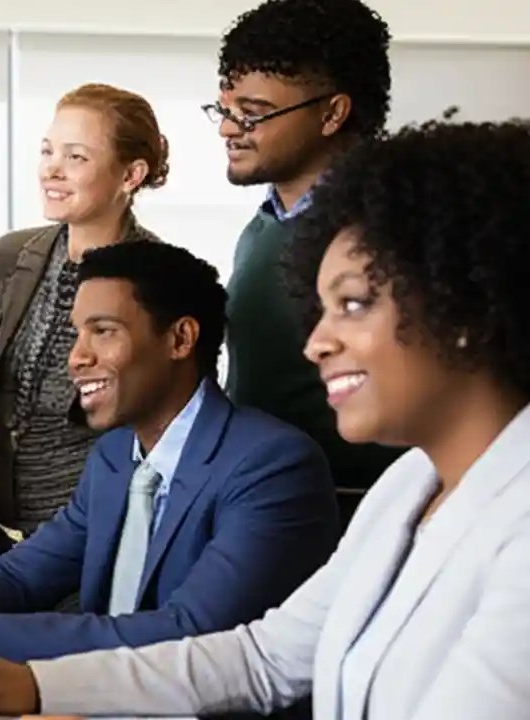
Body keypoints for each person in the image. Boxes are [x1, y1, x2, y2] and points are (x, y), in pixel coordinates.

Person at [0, 121, 530, 720]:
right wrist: (34, 685)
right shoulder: (408, 488)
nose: (316, 344)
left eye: (354, 305)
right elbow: (264, 656)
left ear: (468, 304)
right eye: (321, 309)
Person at [0, 241, 339, 671]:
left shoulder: (271, 466)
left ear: (180, 339)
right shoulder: (118, 454)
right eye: (77, 334)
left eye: (103, 331)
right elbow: (26, 577)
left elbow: (188, 632)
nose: (77, 358)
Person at [207, 0, 402, 525]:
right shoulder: (264, 227)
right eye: (225, 110)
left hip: (356, 513)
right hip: (261, 504)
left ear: (332, 113)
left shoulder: (391, 227)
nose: (228, 129)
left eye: (252, 113)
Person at [0, 83, 167, 572]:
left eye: (76, 156)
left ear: (131, 174)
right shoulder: (13, 256)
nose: (52, 169)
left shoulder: (159, 276)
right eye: (48, 150)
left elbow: (156, 426)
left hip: (91, 539)